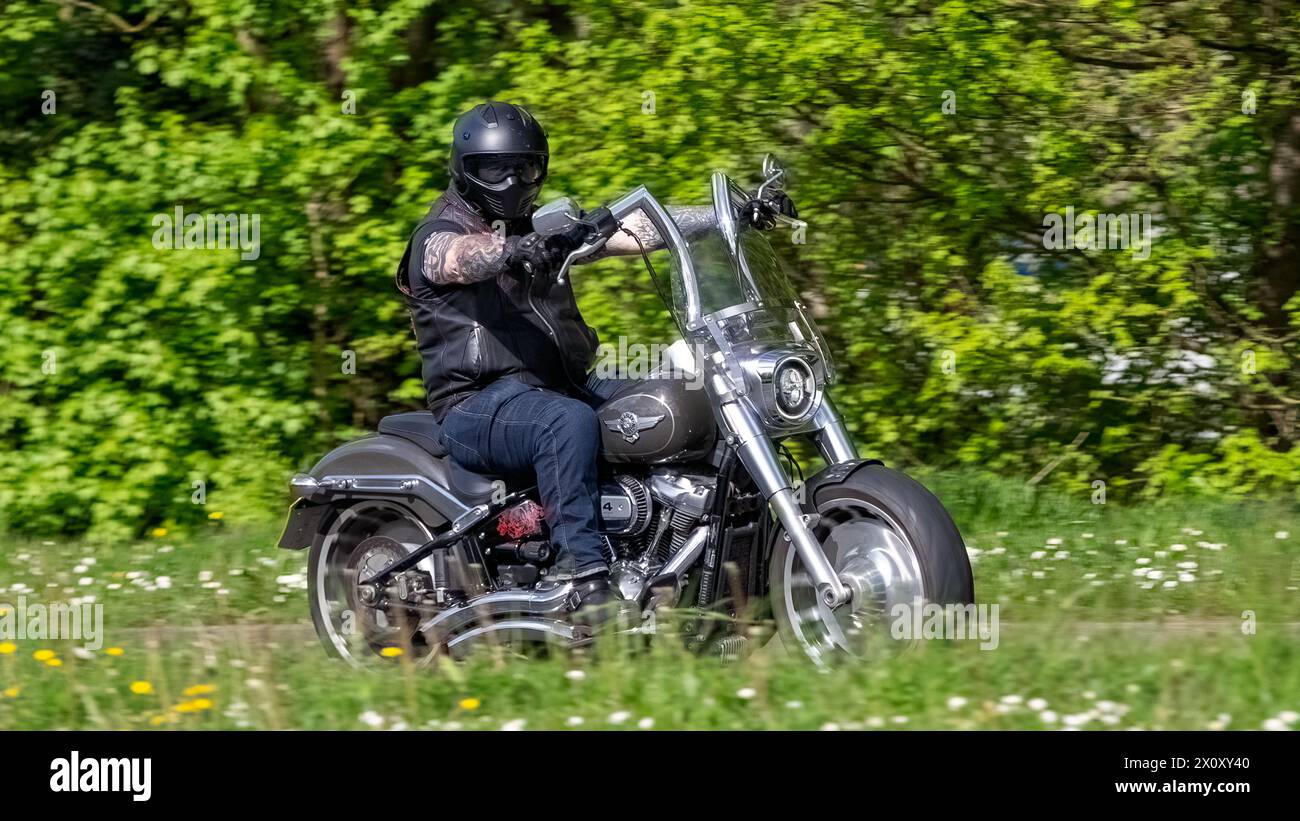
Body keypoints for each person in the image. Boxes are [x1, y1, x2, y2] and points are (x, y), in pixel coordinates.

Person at [395, 101, 793, 622]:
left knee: (683, 397)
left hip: (560, 385)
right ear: (465, 170)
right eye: (496, 168)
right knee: (567, 421)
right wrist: (508, 252)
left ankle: (723, 569)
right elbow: (454, 257)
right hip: (475, 406)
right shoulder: (437, 234)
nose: (513, 180)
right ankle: (580, 575)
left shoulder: (539, 232)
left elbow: (640, 231)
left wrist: (728, 217)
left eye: (526, 167)